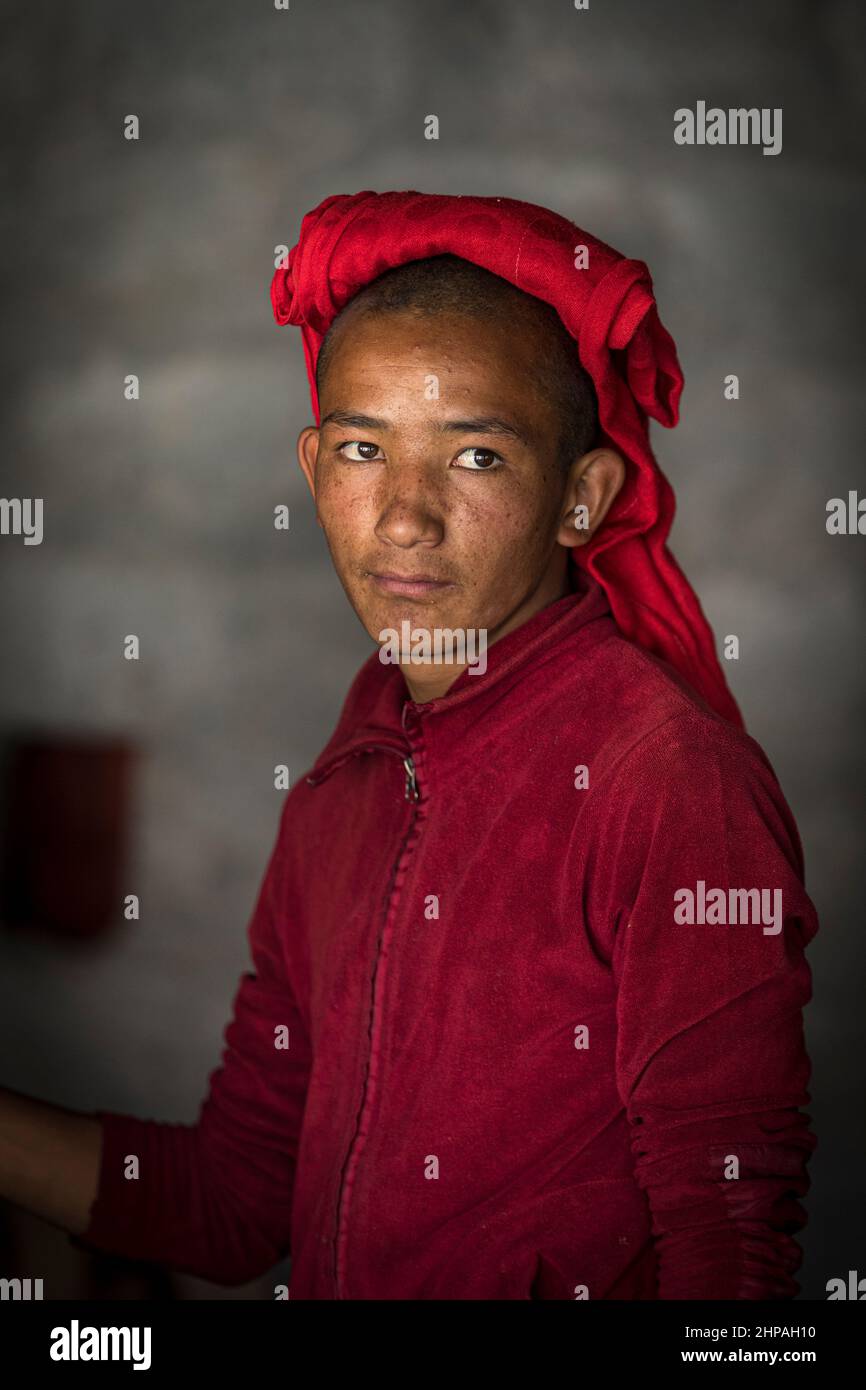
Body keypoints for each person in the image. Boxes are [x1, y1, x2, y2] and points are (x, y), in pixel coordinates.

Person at [0, 191, 818, 1299]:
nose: (401, 517)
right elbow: (239, 1197)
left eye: (474, 456)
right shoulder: (347, 779)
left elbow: (731, 1258)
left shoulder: (662, 777)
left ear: (581, 497)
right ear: (312, 469)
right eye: (362, 448)